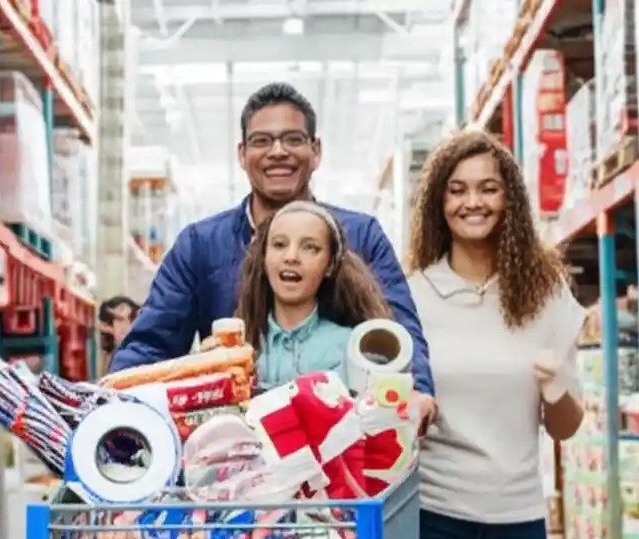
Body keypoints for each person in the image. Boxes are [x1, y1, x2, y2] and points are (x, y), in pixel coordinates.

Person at [108, 82, 436, 418]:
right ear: (242, 154)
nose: (278, 151)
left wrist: (419, 392)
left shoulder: (361, 236)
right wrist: (113, 399)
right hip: (236, 448)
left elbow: (399, 335)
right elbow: (151, 343)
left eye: (293, 139)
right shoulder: (201, 245)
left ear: (316, 151)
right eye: (261, 141)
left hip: (342, 445)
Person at [405, 130, 586, 539]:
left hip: (516, 527)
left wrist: (555, 388)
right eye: (456, 190)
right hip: (437, 525)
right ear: (438, 202)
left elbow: (566, 426)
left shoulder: (545, 293)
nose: (472, 201)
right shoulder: (413, 298)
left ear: (511, 199)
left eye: (488, 188)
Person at [232, 200, 393, 390]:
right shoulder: (236, 350)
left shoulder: (353, 348)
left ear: (330, 264)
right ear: (264, 257)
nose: (291, 257)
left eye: (310, 248)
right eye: (279, 244)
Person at [97, 295, 140, 365]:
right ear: (106, 327)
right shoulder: (116, 359)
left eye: (132, 317)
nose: (129, 324)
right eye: (120, 319)